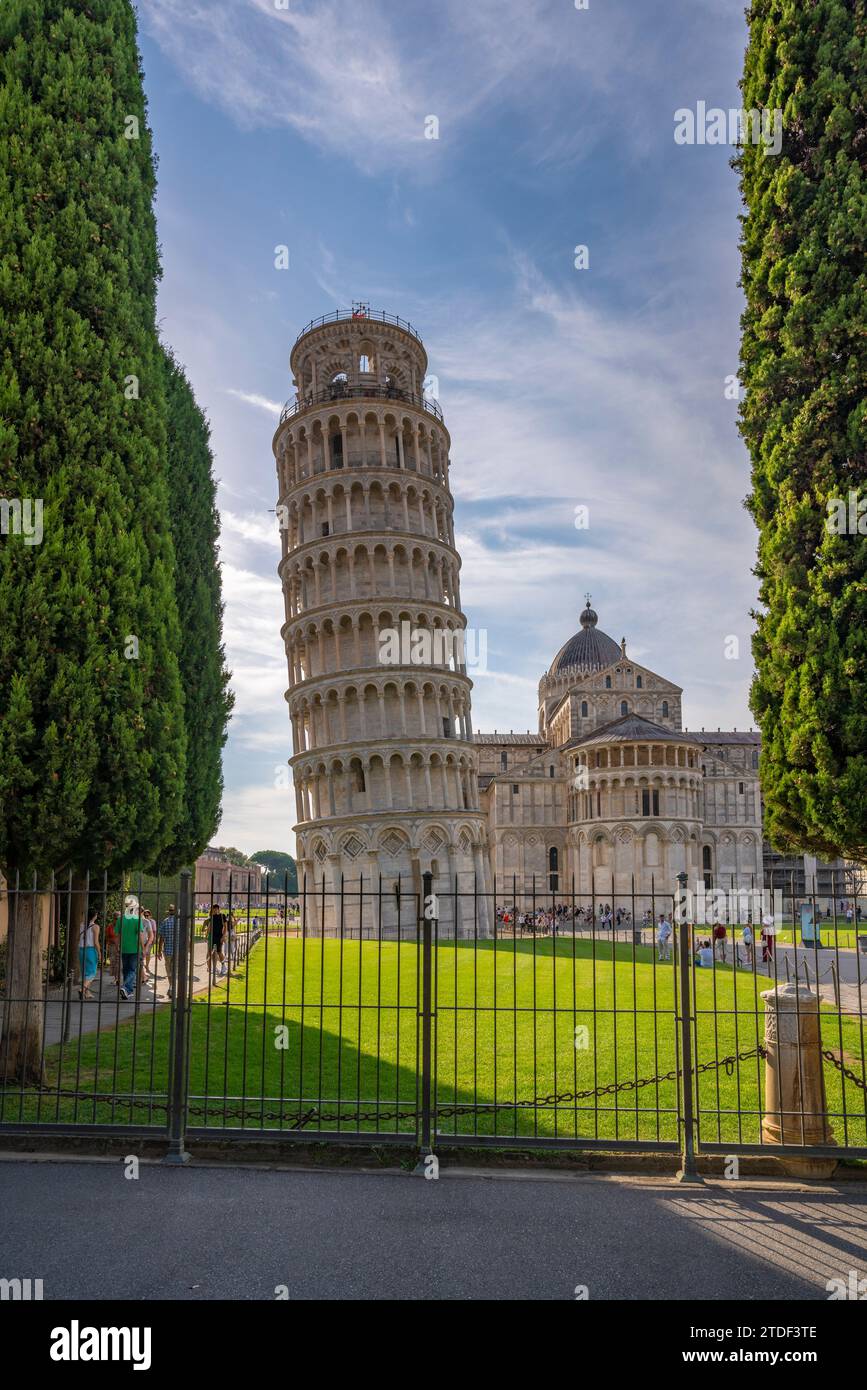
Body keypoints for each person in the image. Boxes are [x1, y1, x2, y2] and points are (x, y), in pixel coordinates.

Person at [115, 895, 145, 1000]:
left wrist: (117, 946)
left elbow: (117, 935)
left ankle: (128, 991)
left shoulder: (120, 919)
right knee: (132, 970)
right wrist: (143, 948)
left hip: (124, 948)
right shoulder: (137, 919)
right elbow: (141, 935)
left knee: (126, 970)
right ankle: (125, 988)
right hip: (135, 949)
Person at [78, 909, 101, 1000]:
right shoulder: (95, 927)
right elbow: (96, 942)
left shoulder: (82, 925)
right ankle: (82, 989)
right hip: (90, 950)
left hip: (81, 950)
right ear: (94, 915)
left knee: (85, 972)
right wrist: (99, 953)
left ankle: (87, 992)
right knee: (91, 973)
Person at [157, 904, 177, 999]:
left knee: (169, 970)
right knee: (175, 969)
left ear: (169, 912)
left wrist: (159, 950)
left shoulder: (165, 922)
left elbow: (161, 937)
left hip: (168, 950)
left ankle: (171, 987)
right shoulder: (180, 922)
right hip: (178, 950)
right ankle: (172, 987)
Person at [208, 903, 227, 978]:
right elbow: (210, 927)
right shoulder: (212, 917)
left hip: (219, 936)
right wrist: (207, 936)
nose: (215, 910)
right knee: (212, 952)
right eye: (214, 909)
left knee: (219, 952)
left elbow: (225, 927)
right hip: (213, 936)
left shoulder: (222, 916)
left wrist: (223, 936)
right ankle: (214, 967)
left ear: (218, 909)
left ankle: (223, 965)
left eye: (216, 909)